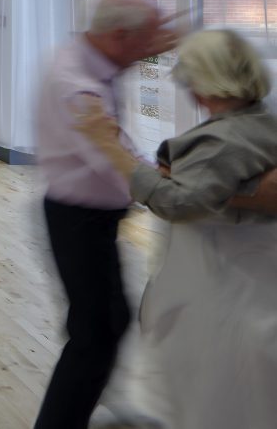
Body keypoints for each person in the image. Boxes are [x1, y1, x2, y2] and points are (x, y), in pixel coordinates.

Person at [75, 29, 277, 428]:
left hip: (219, 291)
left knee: (215, 402)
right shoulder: (260, 124)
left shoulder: (223, 140)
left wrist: (113, 150)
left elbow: (179, 203)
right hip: (245, 287)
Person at [30, 0, 179, 429]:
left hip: (87, 217)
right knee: (94, 338)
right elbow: (120, 168)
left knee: (107, 324)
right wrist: (172, 184)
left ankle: (84, 410)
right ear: (118, 36)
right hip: (79, 220)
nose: (152, 52)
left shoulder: (90, 54)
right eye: (145, 42)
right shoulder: (78, 88)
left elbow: (118, 156)